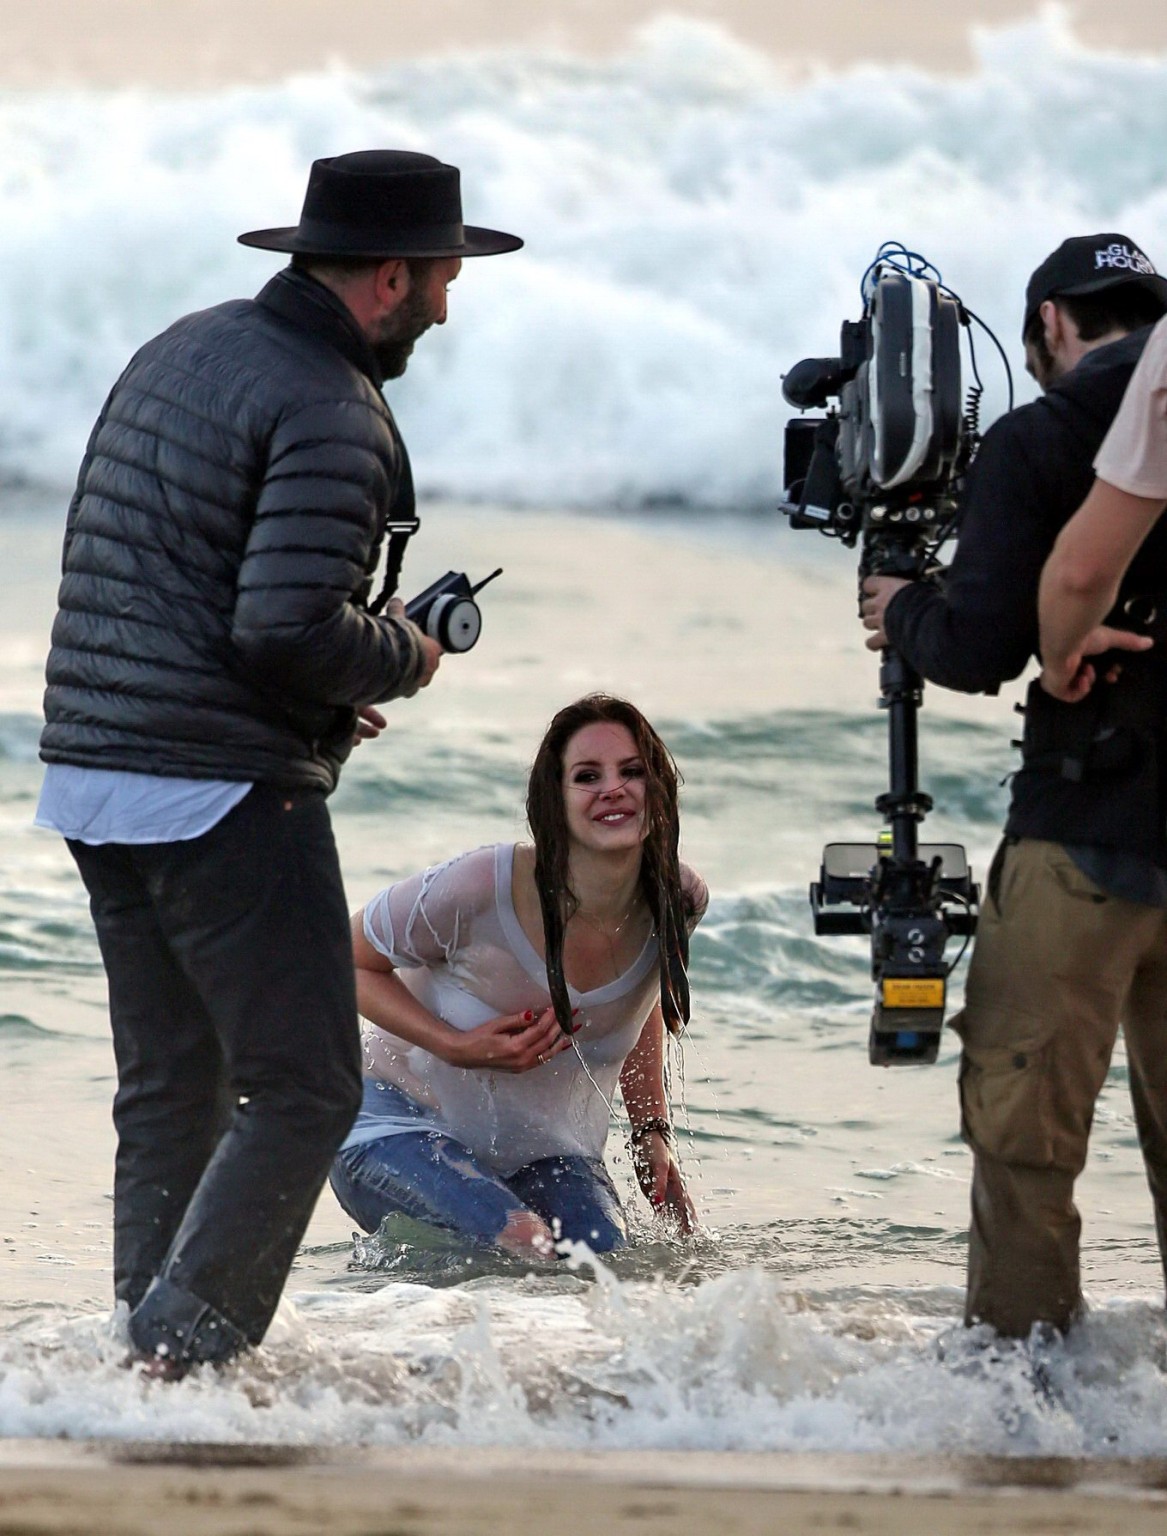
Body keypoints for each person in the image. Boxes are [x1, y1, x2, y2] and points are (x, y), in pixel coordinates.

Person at [34, 150, 522, 1374]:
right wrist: (401, 654)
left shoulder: (185, 346)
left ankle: (138, 1362)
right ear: (392, 278)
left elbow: (181, 580)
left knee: (173, 1084)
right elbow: (283, 626)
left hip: (94, 763)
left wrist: (313, 688)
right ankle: (179, 1353)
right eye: (447, 280)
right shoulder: (331, 405)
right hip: (215, 785)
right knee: (308, 1089)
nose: (450, 306)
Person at [858, 233, 1167, 1338]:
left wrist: (901, 609)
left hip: (1084, 836)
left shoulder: (1043, 440)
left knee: (1026, 1142)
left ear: (1049, 327)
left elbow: (982, 646)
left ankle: (1025, 1404)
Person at [330, 695, 709, 1259]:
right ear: (553, 802)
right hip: (393, 1125)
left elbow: (638, 999)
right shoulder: (481, 885)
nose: (614, 788)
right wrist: (456, 1046)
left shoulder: (676, 898)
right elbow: (342, 958)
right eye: (587, 775)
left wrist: (651, 1130)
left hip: (545, 1152)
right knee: (525, 1242)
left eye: (633, 771)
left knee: (601, 1263)